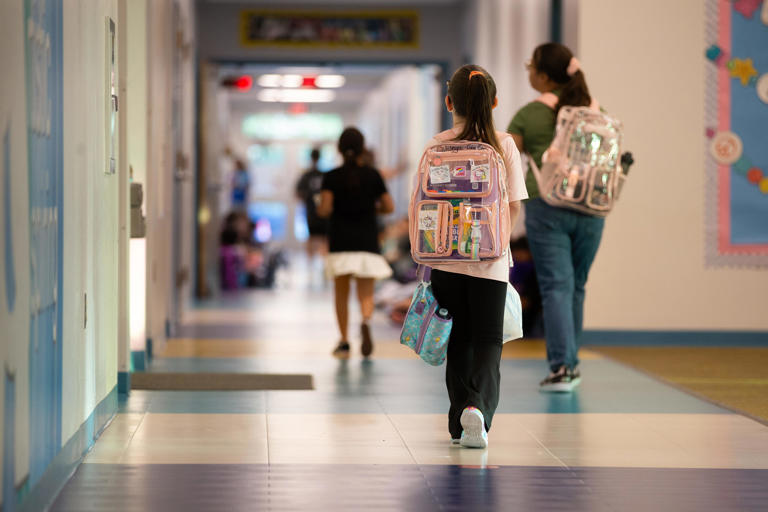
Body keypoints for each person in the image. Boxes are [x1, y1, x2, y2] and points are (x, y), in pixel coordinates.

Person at [420, 65, 527, 449]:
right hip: (490, 261)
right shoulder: (504, 144)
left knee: (458, 341)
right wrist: (494, 245)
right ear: (495, 102)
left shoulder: (435, 146)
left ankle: (456, 421)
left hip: (444, 260)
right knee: (487, 340)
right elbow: (513, 207)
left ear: (450, 102)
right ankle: (478, 409)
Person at [508, 42, 605, 392]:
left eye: (530, 67)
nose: (529, 72)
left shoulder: (529, 115)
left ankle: (563, 367)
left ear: (544, 76)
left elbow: (504, 157)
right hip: (593, 208)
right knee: (576, 285)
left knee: (556, 286)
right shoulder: (596, 110)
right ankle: (571, 365)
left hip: (547, 206)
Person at [317, 128, 395, 359]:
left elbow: (326, 208)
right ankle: (366, 321)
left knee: (341, 293)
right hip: (367, 240)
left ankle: (343, 342)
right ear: (363, 148)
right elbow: (389, 207)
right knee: (366, 291)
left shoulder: (331, 176)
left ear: (340, 150)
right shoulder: (373, 175)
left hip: (340, 241)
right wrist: (373, 207)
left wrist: (320, 208)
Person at [295, 148, 329, 261]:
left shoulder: (309, 175)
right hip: (316, 211)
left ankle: (313, 263)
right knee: (320, 238)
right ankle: (316, 263)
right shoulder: (319, 175)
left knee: (315, 238)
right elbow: (299, 193)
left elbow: (298, 193)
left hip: (315, 211)